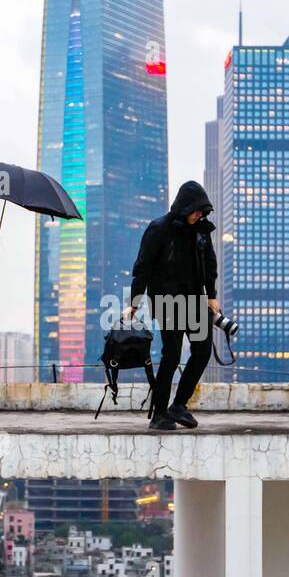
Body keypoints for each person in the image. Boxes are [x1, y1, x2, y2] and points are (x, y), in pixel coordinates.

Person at [128, 180, 219, 432]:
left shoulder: (201, 231)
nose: (199, 215)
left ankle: (179, 405)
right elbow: (142, 266)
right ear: (184, 206)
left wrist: (211, 296)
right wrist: (135, 301)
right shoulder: (159, 228)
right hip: (167, 300)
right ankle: (159, 414)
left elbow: (210, 266)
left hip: (195, 299)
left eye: (202, 212)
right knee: (171, 356)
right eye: (196, 210)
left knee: (202, 351)